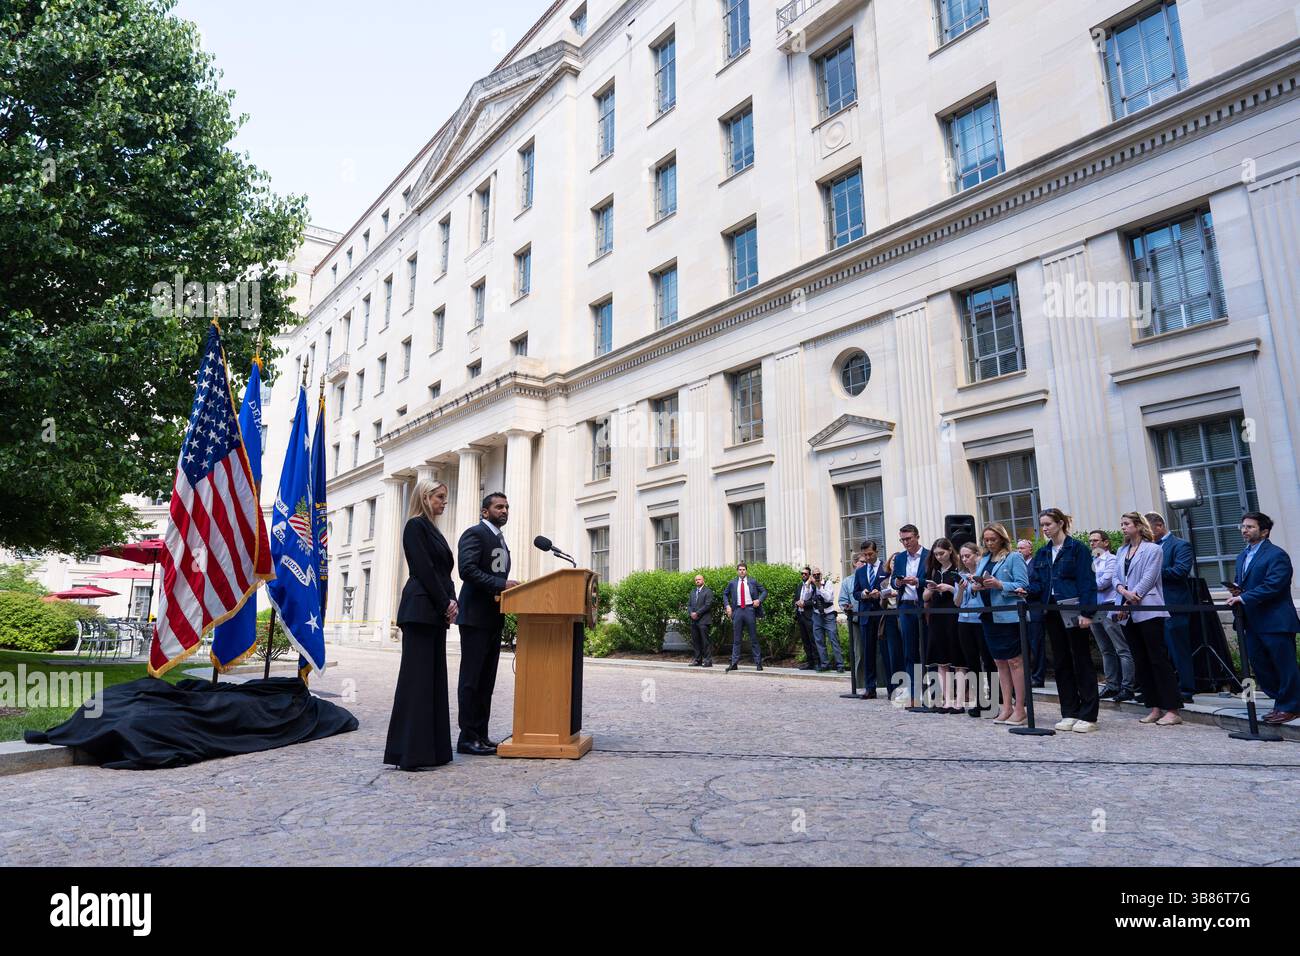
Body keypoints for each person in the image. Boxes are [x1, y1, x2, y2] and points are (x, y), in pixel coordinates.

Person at [384, 479, 458, 771]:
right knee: (417, 681)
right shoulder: (415, 526)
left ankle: (434, 750)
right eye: (440, 497)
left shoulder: (434, 530)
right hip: (419, 610)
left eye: (445, 497)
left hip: (434, 612)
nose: (444, 502)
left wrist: (453, 600)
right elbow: (424, 569)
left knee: (434, 681)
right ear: (425, 497)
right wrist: (444, 602)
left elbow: (444, 571)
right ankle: (410, 752)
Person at [1020, 509, 1099, 733]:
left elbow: (1087, 582)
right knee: (1062, 661)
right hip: (1052, 610)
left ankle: (1088, 714)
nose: (1044, 528)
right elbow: (1038, 582)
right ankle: (1070, 711)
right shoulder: (1043, 553)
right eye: (1042, 524)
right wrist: (1025, 591)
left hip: (1073, 609)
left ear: (1061, 523)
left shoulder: (1078, 549)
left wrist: (1087, 613)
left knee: (1081, 659)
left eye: (1048, 524)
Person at [455, 492, 520, 755]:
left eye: (506, 506)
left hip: (493, 618)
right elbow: (467, 570)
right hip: (474, 618)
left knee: (486, 681)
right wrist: (501, 584)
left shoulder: (500, 539)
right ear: (485, 512)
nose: (504, 510)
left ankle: (481, 735)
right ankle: (466, 737)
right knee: (472, 680)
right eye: (498, 507)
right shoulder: (474, 534)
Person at [1226, 512, 1300, 724]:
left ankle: (1291, 706)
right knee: (1260, 666)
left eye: (1250, 527)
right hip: (1252, 620)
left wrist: (1245, 597)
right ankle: (1281, 702)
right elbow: (1246, 583)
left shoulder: (1277, 555)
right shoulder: (1242, 556)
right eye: (1243, 526)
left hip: (1275, 620)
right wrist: (1237, 592)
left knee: (1284, 666)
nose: (1244, 530)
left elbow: (1274, 585)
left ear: (1264, 531)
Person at [1114, 512, 1182, 725]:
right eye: (1122, 524)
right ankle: (1154, 706)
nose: (1123, 527)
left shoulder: (1153, 549)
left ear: (1138, 526)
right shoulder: (1121, 550)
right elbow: (1117, 576)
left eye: (1126, 524)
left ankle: (1172, 708)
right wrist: (1123, 593)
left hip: (1147, 607)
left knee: (1157, 658)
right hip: (1127, 607)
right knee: (1141, 660)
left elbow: (1150, 577)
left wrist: (1132, 596)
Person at [968, 522, 1029, 725]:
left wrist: (1000, 584)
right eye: (986, 540)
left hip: (1009, 616)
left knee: (1015, 661)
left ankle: (1020, 708)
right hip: (988, 615)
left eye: (993, 539)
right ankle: (1007, 707)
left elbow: (1023, 585)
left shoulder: (1013, 557)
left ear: (1002, 538)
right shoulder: (984, 559)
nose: (989, 543)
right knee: (999, 662)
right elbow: (978, 584)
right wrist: (977, 586)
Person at [1146, 511, 1196, 702]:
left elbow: (1181, 571)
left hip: (1174, 604)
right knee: (1158, 650)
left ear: (1159, 525)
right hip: (1152, 606)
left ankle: (1186, 688)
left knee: (1178, 647)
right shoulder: (1148, 547)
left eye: (1149, 529)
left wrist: (1151, 572)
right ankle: (1162, 688)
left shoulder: (1180, 545)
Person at [1089, 530, 1136, 702]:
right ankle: (1111, 685)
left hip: (1109, 606)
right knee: (1105, 649)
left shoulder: (1112, 559)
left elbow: (1103, 583)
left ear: (1106, 543)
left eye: (1095, 540)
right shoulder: (1092, 561)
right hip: (1094, 607)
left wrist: (1086, 585)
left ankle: (1128, 686)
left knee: (1121, 648)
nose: (1092, 543)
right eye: (1090, 541)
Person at [889, 525, 929, 705]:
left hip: (923, 605)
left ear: (917, 537)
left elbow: (933, 578)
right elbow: (893, 580)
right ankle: (914, 694)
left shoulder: (928, 555)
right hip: (905, 606)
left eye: (909, 539)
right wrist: (897, 582)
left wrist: (918, 581)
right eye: (903, 540)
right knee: (909, 650)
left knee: (927, 649)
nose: (906, 543)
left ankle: (930, 692)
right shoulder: (900, 557)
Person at [923, 538, 964, 712]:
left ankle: (959, 701)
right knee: (941, 660)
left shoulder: (957, 570)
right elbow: (925, 597)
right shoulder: (933, 571)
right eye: (936, 554)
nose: (939, 557)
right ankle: (946, 699)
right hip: (937, 616)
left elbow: (962, 596)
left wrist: (949, 588)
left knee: (958, 659)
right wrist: (931, 589)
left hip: (954, 615)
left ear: (950, 551)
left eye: (942, 553)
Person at [955, 541, 992, 717]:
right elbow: (957, 602)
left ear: (977, 555)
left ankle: (994, 699)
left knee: (988, 659)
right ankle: (979, 700)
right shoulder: (961, 575)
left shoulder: (984, 573)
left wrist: (978, 584)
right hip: (964, 619)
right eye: (962, 556)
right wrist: (961, 589)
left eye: (968, 555)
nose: (965, 559)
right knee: (972, 661)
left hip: (980, 619)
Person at [852, 543, 891, 699]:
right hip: (866, 615)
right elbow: (855, 592)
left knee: (886, 652)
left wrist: (880, 593)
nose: (868, 557)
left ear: (876, 551)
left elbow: (891, 588)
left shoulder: (885, 569)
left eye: (870, 554)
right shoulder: (860, 571)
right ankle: (870, 687)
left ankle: (891, 687)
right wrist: (863, 593)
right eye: (865, 555)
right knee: (868, 652)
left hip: (882, 614)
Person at [1016, 539, 1048, 687]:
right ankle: (1025, 677)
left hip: (1034, 608)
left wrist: (1026, 591)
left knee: (1037, 645)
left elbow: (1040, 585)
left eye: (1022, 548)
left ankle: (1038, 677)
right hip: (1018, 610)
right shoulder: (1016, 566)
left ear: (1030, 550)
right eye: (1017, 548)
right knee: (1023, 646)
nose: (1019, 551)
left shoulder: (1036, 564)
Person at [723, 563, 766, 671]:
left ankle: (758, 663)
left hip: (749, 610)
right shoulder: (732, 583)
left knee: (753, 638)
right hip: (737, 611)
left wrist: (759, 600)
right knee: (736, 639)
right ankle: (734, 663)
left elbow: (764, 591)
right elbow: (725, 594)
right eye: (740, 569)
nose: (742, 571)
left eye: (743, 569)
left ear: (746, 571)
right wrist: (727, 606)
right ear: (737, 571)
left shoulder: (752, 581)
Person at [840, 554, 866, 689]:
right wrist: (846, 607)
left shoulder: (869, 578)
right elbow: (842, 601)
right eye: (862, 561)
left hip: (872, 620)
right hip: (856, 621)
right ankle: (860, 684)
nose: (865, 564)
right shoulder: (847, 582)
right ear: (855, 563)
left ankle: (879, 683)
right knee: (859, 653)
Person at [810, 567, 843, 673]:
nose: (816, 576)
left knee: (834, 639)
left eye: (818, 574)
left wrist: (819, 586)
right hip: (817, 616)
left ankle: (840, 665)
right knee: (819, 641)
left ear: (821, 574)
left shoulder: (827, 583)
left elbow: (828, 598)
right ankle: (825, 664)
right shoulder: (811, 585)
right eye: (814, 574)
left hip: (829, 615)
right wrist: (807, 584)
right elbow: (806, 597)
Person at [793, 566, 819, 670]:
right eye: (802, 573)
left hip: (810, 616)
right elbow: (795, 599)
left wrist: (805, 604)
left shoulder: (813, 586)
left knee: (813, 640)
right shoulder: (799, 586)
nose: (803, 575)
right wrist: (797, 603)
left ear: (809, 575)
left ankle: (817, 663)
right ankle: (810, 663)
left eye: (805, 574)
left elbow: (815, 600)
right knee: (805, 641)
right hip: (800, 616)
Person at [686, 574, 714, 667]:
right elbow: (689, 605)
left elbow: (708, 605)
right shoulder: (693, 592)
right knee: (696, 641)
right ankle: (697, 660)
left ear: (703, 580)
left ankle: (708, 661)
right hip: (694, 621)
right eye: (696, 580)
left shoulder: (708, 591)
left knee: (705, 641)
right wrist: (691, 613)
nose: (697, 581)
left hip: (704, 620)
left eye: (699, 579)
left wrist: (697, 613)